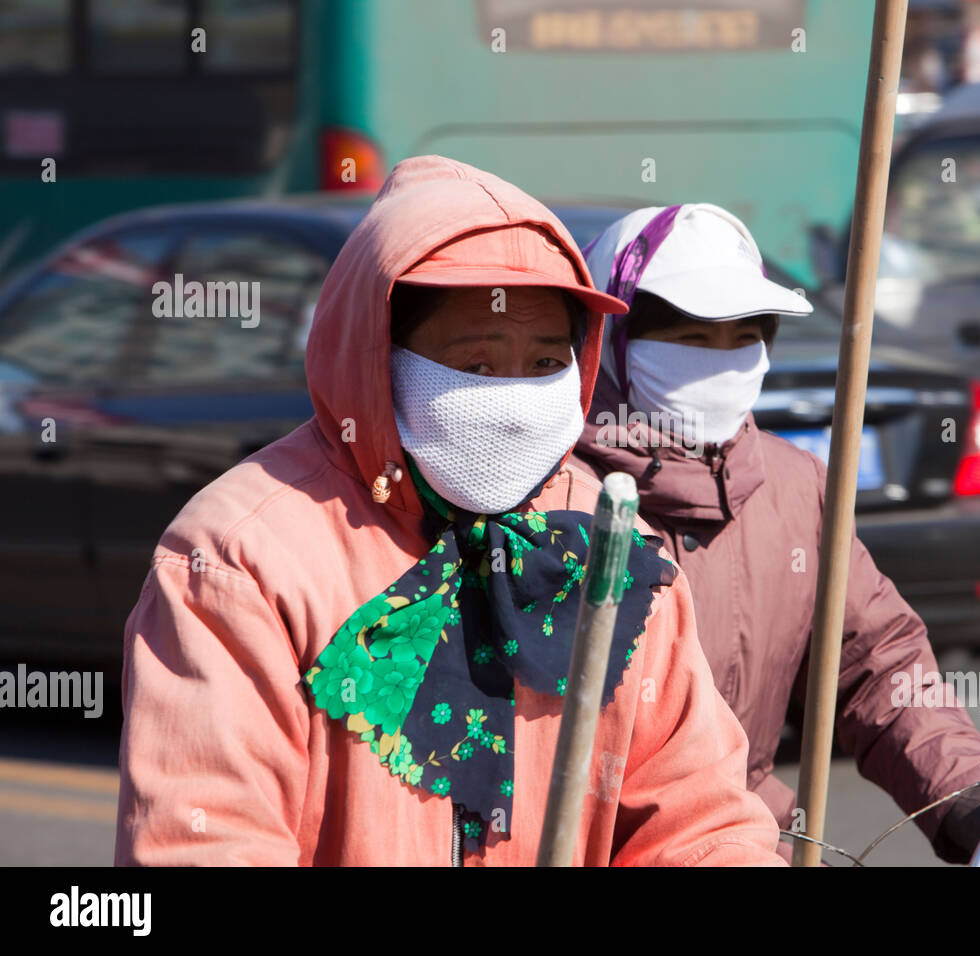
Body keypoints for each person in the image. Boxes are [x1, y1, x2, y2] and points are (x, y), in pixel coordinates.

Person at [114, 159, 785, 867]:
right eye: (480, 365)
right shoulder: (238, 560)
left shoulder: (611, 551)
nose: (519, 400)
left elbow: (701, 823)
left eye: (544, 362)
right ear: (379, 356)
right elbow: (205, 843)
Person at [574, 203, 980, 865]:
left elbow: (877, 662)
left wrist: (964, 788)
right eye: (692, 340)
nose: (722, 364)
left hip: (746, 845)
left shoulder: (795, 486)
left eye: (743, 339)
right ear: (612, 338)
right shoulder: (552, 493)